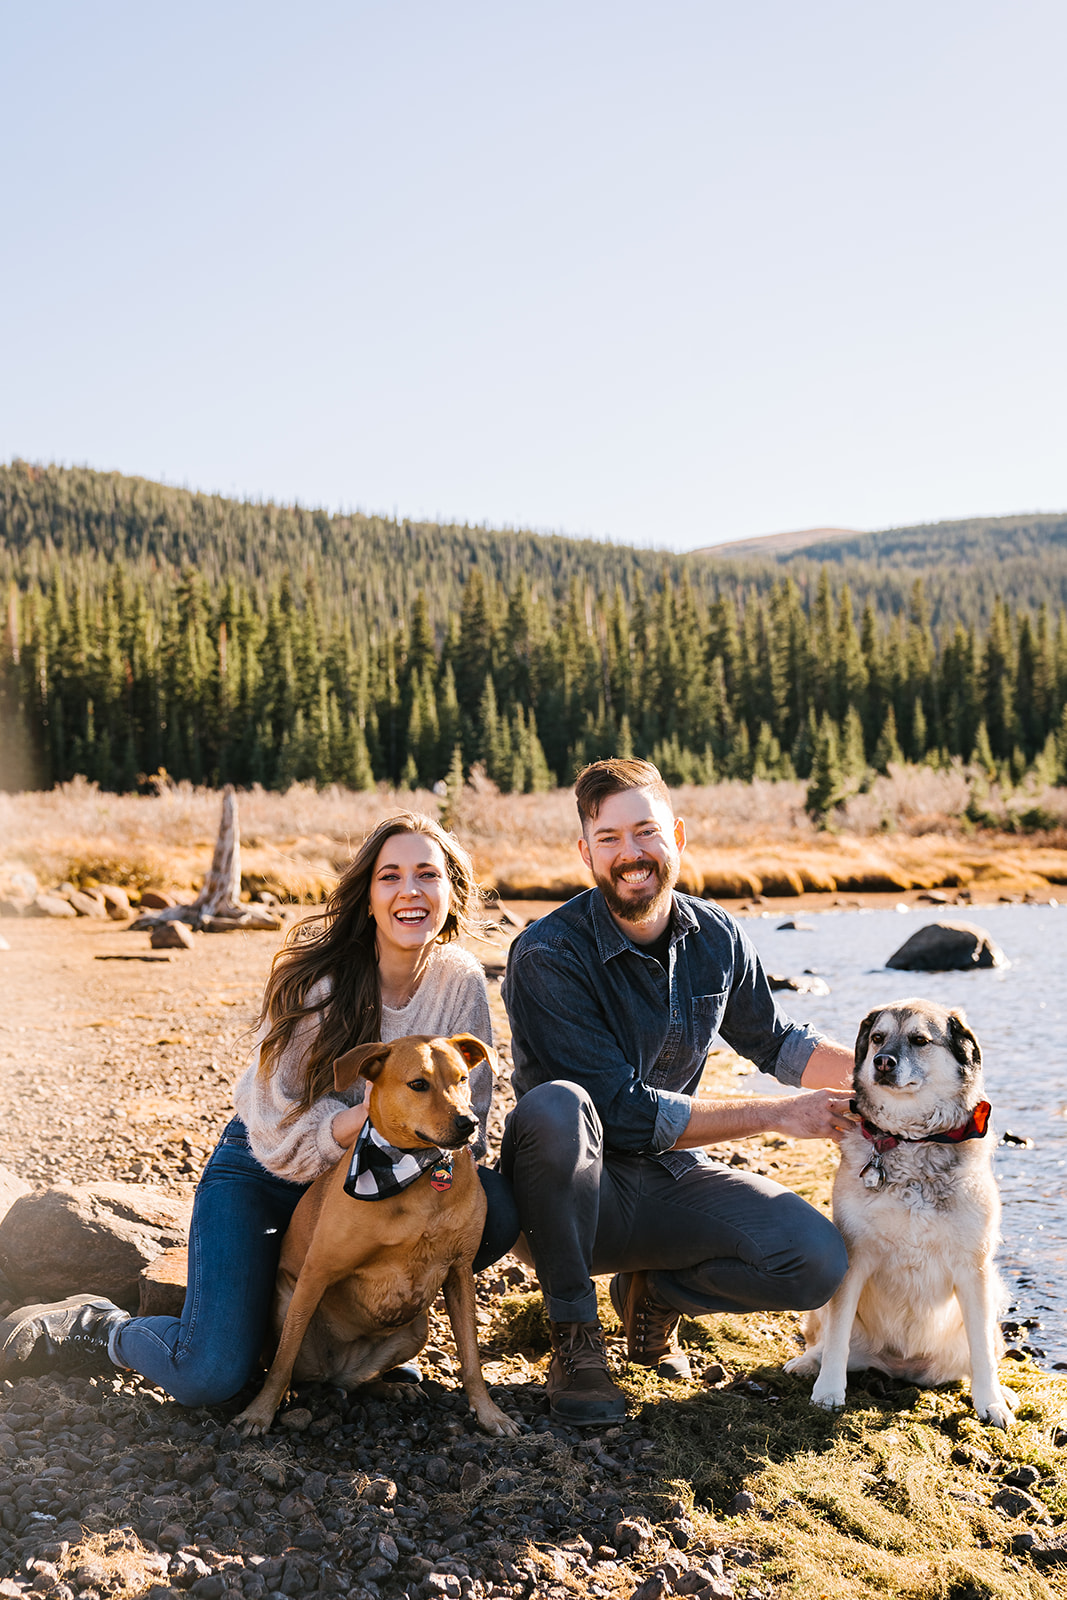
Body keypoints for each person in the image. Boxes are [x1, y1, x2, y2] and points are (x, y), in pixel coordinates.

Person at [0, 813, 517, 1401]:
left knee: (492, 1207)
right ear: (367, 896)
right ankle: (101, 1327)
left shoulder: (462, 982)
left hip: (374, 1176)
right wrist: (368, 1117)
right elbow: (275, 1126)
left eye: (428, 874)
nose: (410, 891)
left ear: (452, 892)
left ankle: (351, 1336)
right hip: (266, 1168)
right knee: (212, 1375)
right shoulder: (314, 982)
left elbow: (462, 1118)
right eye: (390, 876)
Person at [501, 758, 856, 1425]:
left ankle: (656, 1294)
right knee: (557, 1106)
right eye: (609, 838)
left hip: (666, 1180)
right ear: (584, 852)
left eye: (645, 831)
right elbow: (620, 1113)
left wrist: (898, 1071)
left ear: (677, 837)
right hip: (566, 1200)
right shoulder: (546, 954)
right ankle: (574, 1338)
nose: (630, 854)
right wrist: (779, 1116)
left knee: (816, 1261)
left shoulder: (715, 935)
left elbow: (776, 1042)